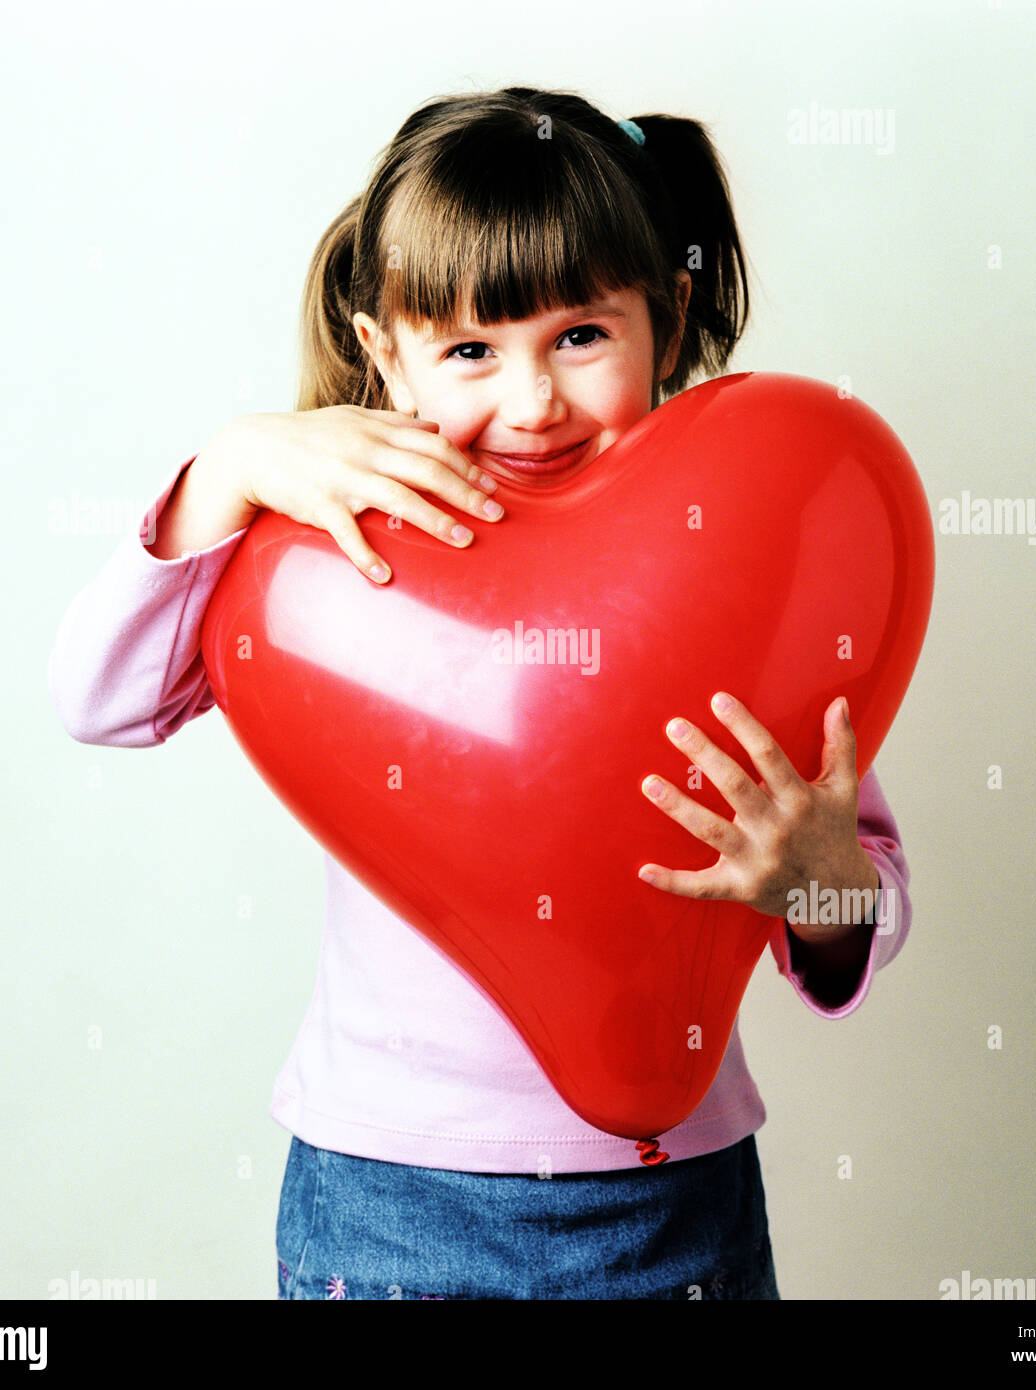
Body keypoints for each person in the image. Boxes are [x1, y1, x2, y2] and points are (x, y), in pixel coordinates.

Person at [47, 86, 912, 1300]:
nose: (532, 400)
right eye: (469, 350)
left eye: (578, 336)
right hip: (387, 1195)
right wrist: (231, 467)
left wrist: (813, 881)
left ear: (664, 320)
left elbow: (861, 883)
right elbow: (101, 697)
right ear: (383, 353)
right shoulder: (335, 551)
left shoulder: (737, 563)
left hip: (669, 1199)